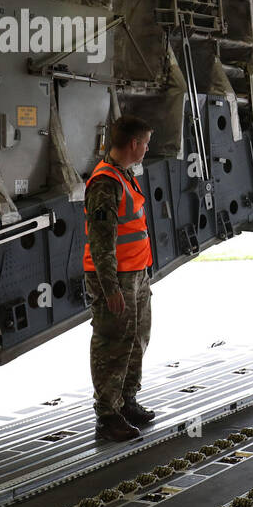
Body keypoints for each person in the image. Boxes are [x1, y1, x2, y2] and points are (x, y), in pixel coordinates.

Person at [84, 116, 157, 441]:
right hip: (117, 279)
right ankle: (107, 415)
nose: (146, 149)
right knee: (112, 343)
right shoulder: (105, 183)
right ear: (133, 144)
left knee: (137, 339)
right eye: (145, 143)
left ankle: (127, 400)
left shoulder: (124, 175)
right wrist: (110, 287)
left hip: (136, 276)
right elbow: (101, 241)